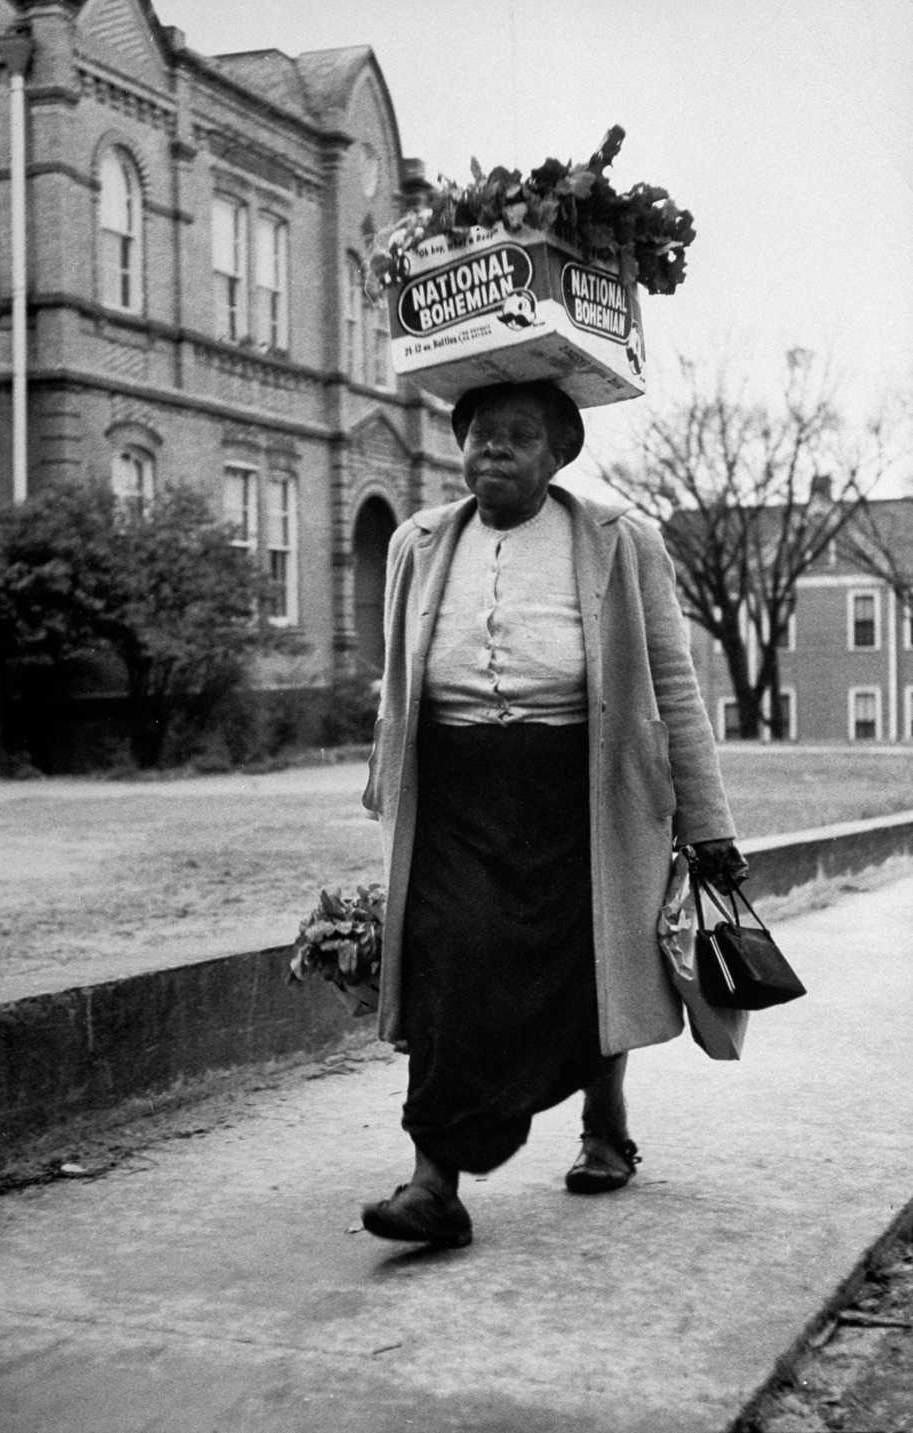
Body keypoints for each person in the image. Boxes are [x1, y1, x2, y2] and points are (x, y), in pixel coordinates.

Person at [360, 379, 747, 1249]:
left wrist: (707, 821)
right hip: (454, 792)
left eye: (518, 435)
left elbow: (671, 685)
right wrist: (381, 788)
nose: (492, 449)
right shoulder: (416, 542)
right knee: (447, 960)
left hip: (581, 787)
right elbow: (395, 679)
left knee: (586, 957)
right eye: (478, 435)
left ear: (558, 453)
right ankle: (433, 1182)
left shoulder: (618, 540)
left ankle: (604, 1125)